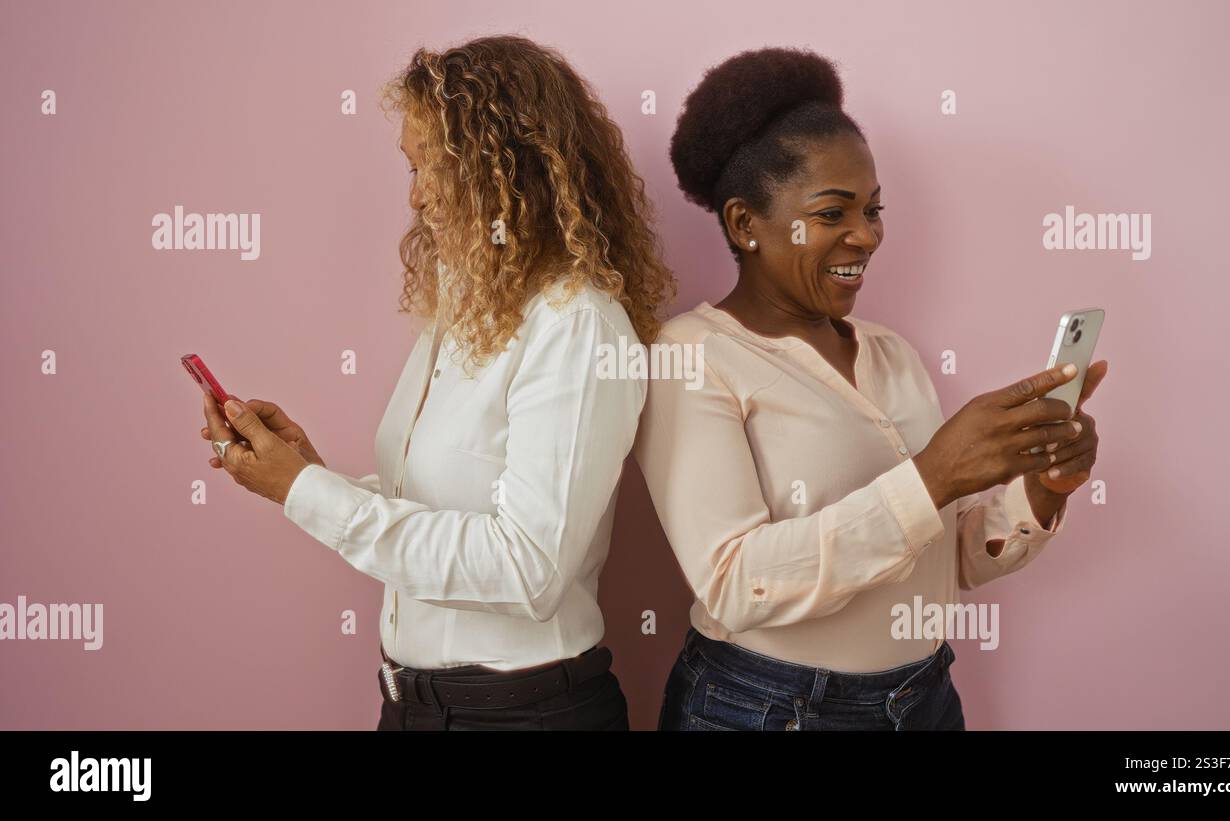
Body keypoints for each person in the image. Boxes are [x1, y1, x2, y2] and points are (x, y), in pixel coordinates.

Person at [199, 35, 675, 730]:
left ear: (507, 169)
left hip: (519, 715)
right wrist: (306, 471)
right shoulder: (469, 310)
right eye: (410, 168)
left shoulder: (578, 326)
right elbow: (436, 510)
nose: (417, 198)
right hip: (414, 707)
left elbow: (526, 569)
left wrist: (304, 492)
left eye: (433, 168)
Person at [634, 47, 1107, 731]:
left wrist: (1042, 487)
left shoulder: (892, 354)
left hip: (923, 698)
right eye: (833, 213)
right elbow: (736, 582)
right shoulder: (691, 357)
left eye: (873, 209)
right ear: (745, 225)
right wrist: (933, 475)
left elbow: (947, 557)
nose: (867, 235)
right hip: (766, 709)